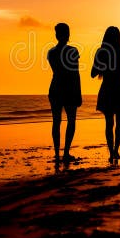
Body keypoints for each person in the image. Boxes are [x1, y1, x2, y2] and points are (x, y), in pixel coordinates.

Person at [91, 26, 120, 164]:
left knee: (109, 123)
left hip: (108, 89)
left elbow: (93, 73)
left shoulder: (101, 52)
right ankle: (115, 150)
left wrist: (103, 65)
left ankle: (111, 152)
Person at [47, 23, 82, 163]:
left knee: (56, 121)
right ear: (68, 35)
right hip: (69, 89)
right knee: (71, 120)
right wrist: (78, 93)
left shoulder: (51, 52)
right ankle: (66, 152)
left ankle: (57, 153)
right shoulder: (72, 51)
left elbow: (56, 71)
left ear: (56, 35)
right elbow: (75, 73)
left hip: (55, 88)